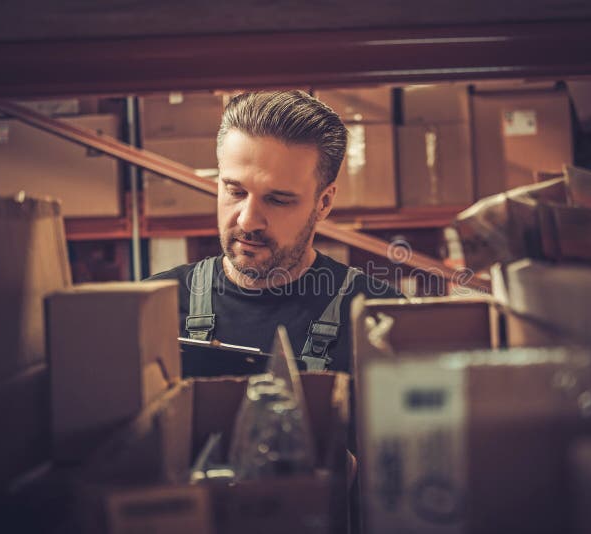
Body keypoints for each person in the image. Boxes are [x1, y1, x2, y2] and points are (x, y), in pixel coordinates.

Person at [148, 90, 401, 373]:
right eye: (235, 191)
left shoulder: (381, 320)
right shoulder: (152, 311)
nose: (247, 221)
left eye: (277, 200)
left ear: (324, 203)